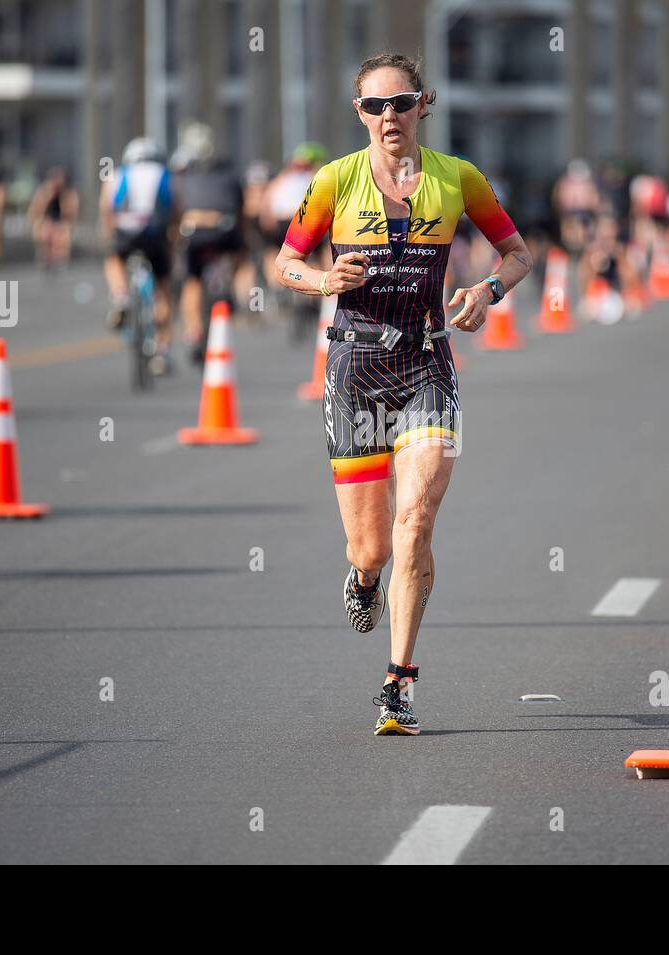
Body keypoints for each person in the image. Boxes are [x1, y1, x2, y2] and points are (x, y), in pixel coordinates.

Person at [274, 52, 532, 736]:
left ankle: (399, 684)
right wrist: (323, 281)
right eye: (374, 106)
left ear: (426, 103)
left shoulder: (459, 177)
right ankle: (362, 582)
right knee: (372, 548)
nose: (388, 116)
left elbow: (518, 254)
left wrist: (487, 291)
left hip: (426, 363)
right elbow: (285, 262)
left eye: (401, 102)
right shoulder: (334, 181)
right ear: (359, 114)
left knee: (415, 519)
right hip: (355, 370)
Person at [100, 136, 179, 373]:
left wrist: (109, 236)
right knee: (163, 287)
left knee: (114, 260)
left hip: (125, 232)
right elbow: (177, 210)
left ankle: (121, 297)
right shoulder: (167, 175)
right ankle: (162, 352)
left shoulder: (117, 174)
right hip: (155, 235)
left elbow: (107, 208)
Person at [170, 122, 245, 366]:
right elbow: (240, 208)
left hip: (193, 233)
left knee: (192, 282)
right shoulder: (229, 174)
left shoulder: (182, 177)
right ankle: (229, 286)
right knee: (238, 253)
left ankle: (193, 332)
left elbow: (176, 211)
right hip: (224, 231)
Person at [262, 142, 330, 342]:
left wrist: (268, 227)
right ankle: (319, 289)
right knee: (319, 252)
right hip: (302, 219)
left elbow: (266, 205)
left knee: (273, 253)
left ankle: (276, 287)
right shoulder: (316, 176)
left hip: (280, 220)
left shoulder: (282, 178)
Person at [27, 166, 79, 271]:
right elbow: (36, 211)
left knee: (63, 233)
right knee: (45, 230)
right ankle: (45, 259)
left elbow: (70, 214)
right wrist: (48, 195)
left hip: (61, 222)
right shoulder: (44, 192)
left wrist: (63, 198)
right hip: (47, 220)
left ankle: (59, 260)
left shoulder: (69, 194)